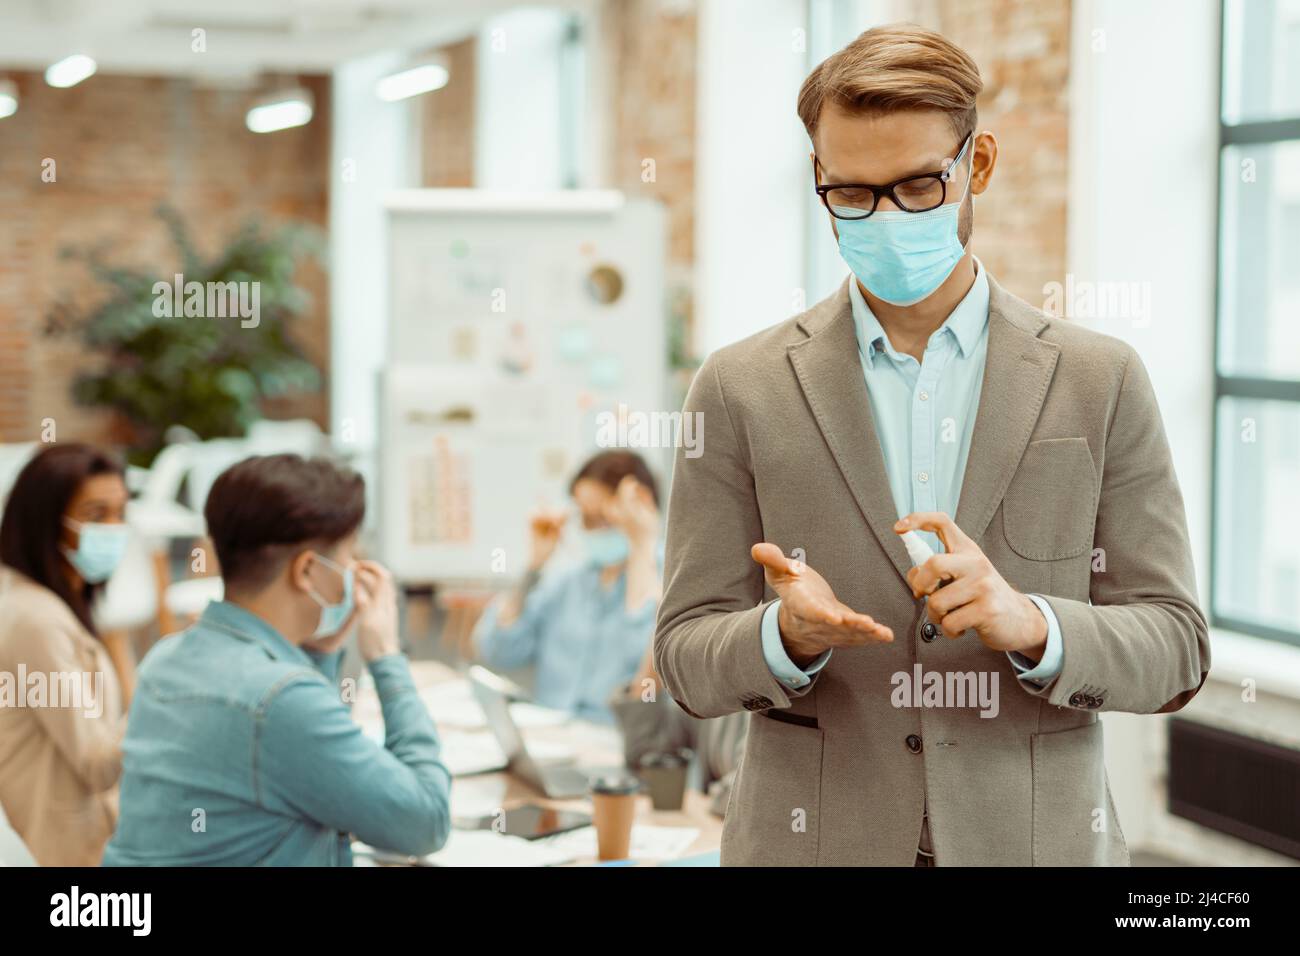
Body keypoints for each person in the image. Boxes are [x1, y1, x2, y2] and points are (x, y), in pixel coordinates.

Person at [654, 24, 1210, 867]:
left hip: (1032, 843)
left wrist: (1032, 624)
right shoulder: (739, 388)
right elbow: (685, 659)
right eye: (850, 194)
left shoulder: (1101, 380)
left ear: (976, 165)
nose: (883, 219)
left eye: (917, 186)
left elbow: (1175, 648)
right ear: (818, 177)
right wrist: (784, 638)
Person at [103, 454, 451, 866]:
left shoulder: (164, 661)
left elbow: (309, 772)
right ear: (307, 571)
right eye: (348, 558)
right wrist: (387, 657)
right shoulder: (278, 701)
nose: (353, 573)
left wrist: (320, 653)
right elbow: (425, 820)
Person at [0, 442, 131, 866]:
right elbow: (96, 763)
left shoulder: (54, 600)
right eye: (96, 515)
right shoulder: (35, 621)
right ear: (45, 521)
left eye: (120, 513)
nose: (113, 529)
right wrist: (169, 702)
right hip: (59, 854)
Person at [473, 450, 662, 724]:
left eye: (605, 518)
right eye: (585, 518)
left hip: (620, 745)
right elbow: (497, 649)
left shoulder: (670, 580)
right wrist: (534, 566)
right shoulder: (568, 581)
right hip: (552, 739)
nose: (594, 530)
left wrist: (641, 546)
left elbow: (647, 671)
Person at [608, 643, 748, 818]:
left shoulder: (772, 677)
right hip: (716, 828)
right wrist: (653, 665)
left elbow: (749, 796)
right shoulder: (712, 673)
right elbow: (647, 756)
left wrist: (705, 802)